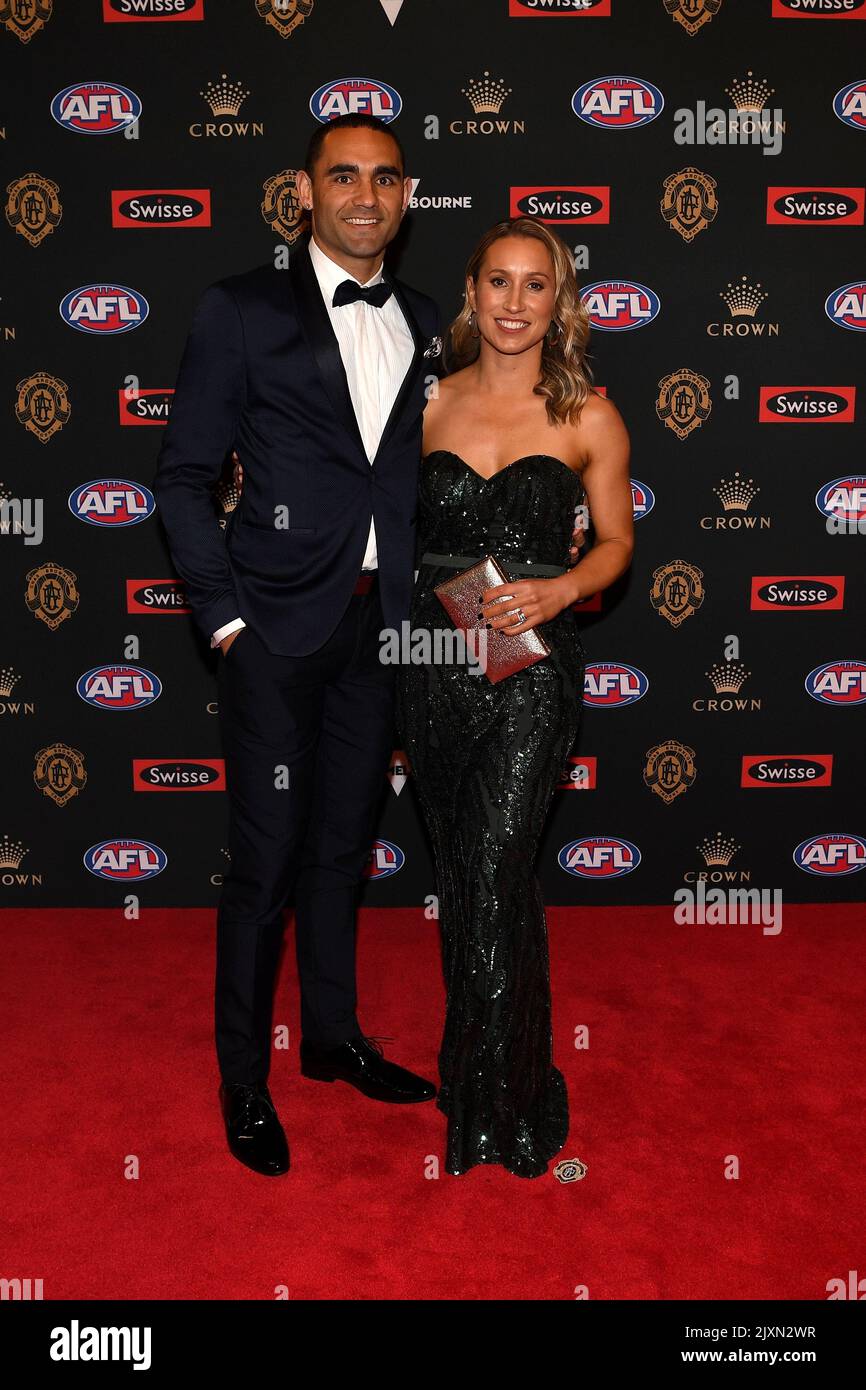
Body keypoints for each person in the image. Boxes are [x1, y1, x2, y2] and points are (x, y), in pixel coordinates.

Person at [152, 113, 442, 1177]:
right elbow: (181, 477)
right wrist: (224, 620)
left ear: (406, 195)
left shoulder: (421, 315)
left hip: (381, 629)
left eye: (384, 177)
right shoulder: (237, 309)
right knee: (265, 862)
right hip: (273, 627)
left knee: (341, 848)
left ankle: (330, 1038)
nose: (364, 194)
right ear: (304, 192)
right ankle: (243, 1078)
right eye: (342, 175)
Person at [396, 217, 634, 1178]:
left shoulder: (590, 417)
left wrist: (565, 587)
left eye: (537, 285)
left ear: (559, 301)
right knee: (463, 874)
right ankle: (482, 1072)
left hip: (533, 669)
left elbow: (617, 543)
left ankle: (507, 1102)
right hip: (433, 664)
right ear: (473, 290)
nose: (514, 302)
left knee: (497, 865)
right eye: (499, 282)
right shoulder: (424, 408)